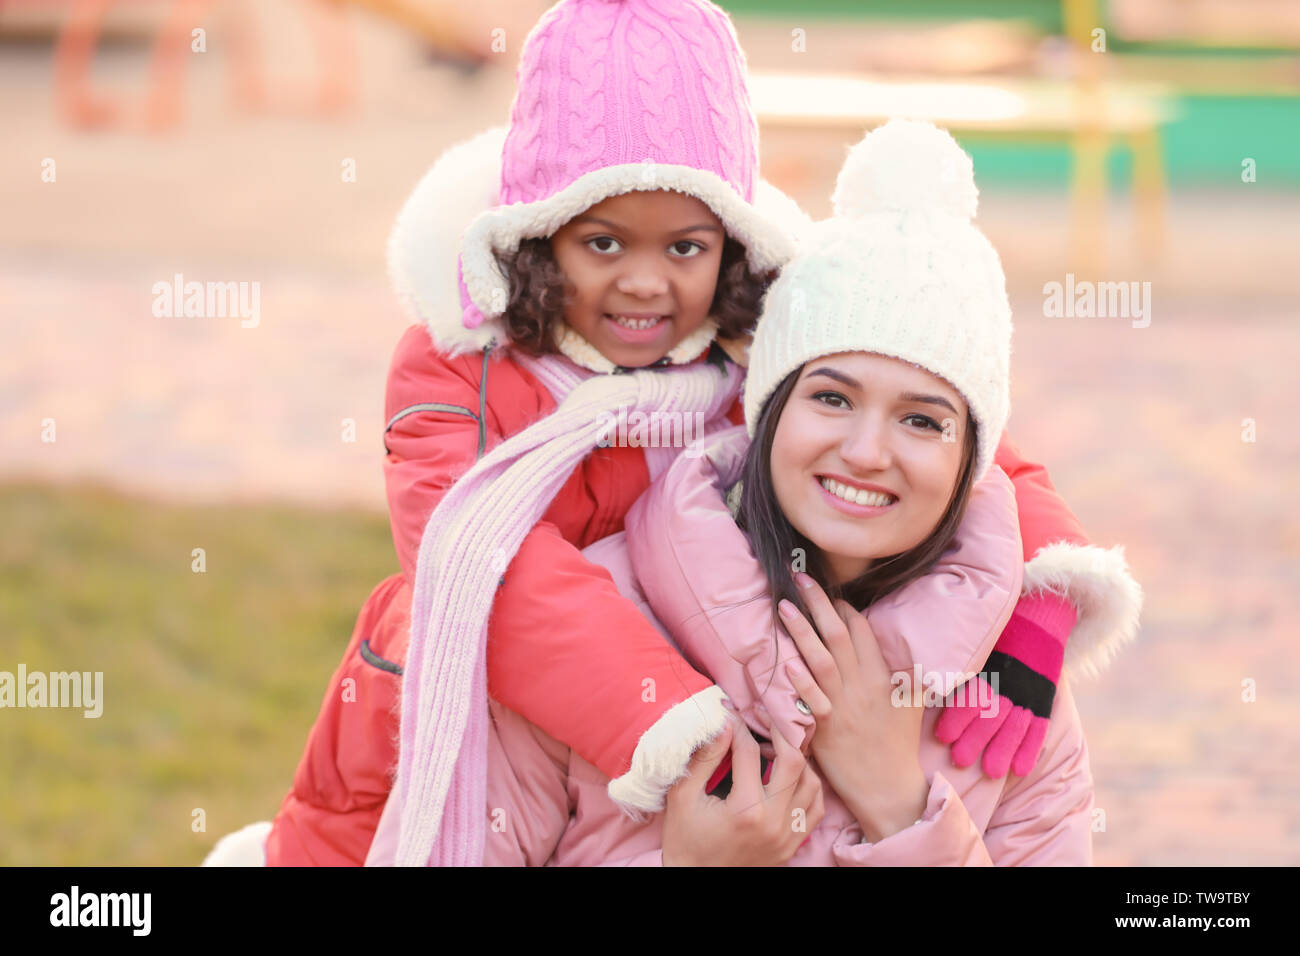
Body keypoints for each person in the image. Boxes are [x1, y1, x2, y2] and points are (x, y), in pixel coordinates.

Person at [202, 1, 1136, 867]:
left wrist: (1039, 594)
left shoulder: (763, 329)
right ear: (538, 239)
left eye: (684, 245)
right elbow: (501, 573)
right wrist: (684, 721)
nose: (646, 285)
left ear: (729, 244)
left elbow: (956, 429)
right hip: (474, 679)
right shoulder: (460, 367)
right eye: (604, 242)